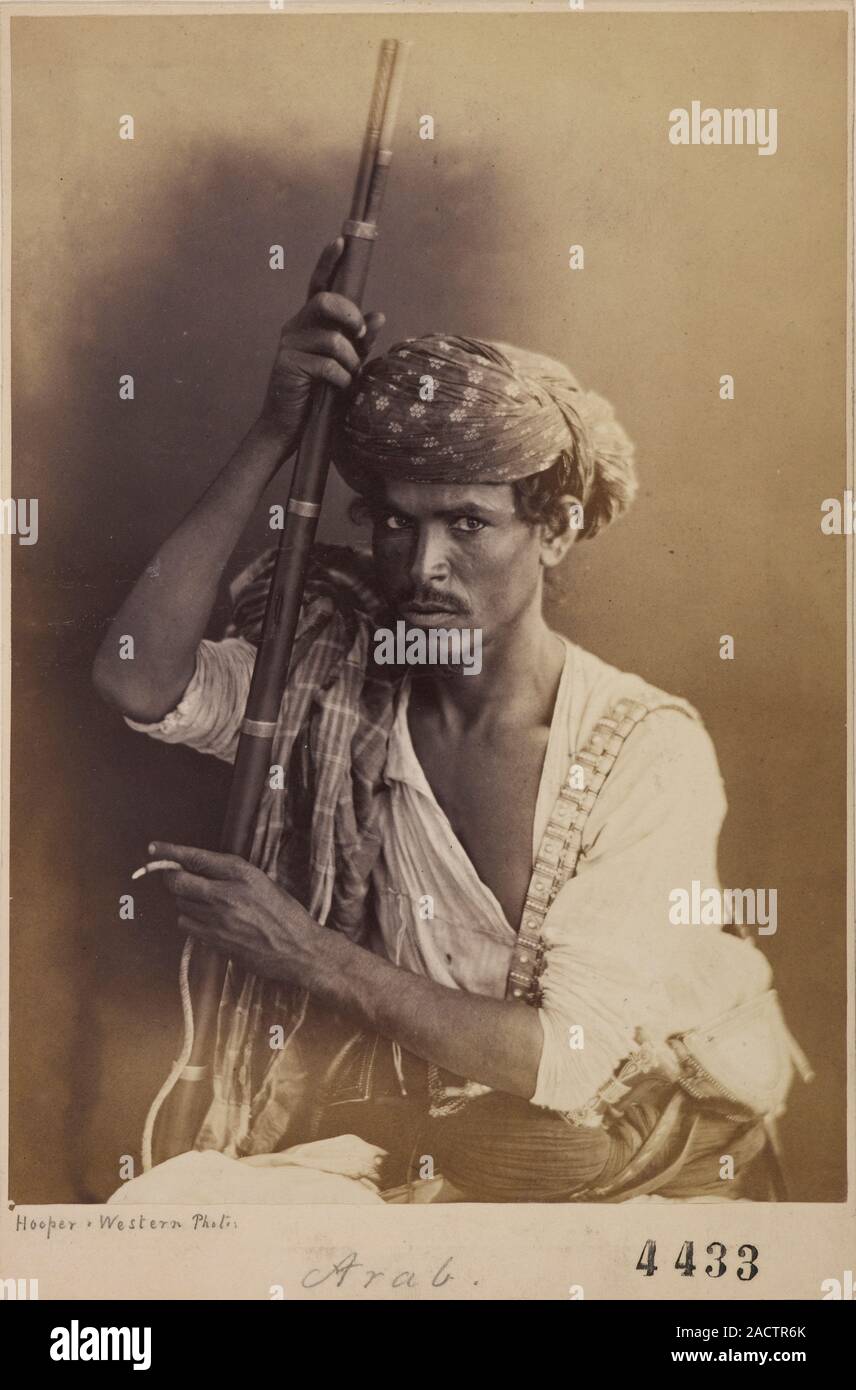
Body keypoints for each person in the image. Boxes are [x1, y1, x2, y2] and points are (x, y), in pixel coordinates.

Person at [94, 239, 801, 1205]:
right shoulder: (340, 686)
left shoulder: (644, 752)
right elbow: (135, 677)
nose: (421, 565)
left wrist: (305, 950)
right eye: (394, 522)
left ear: (553, 531)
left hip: (643, 1166)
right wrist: (273, 431)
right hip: (437, 1133)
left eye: (467, 524)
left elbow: (568, 1062)